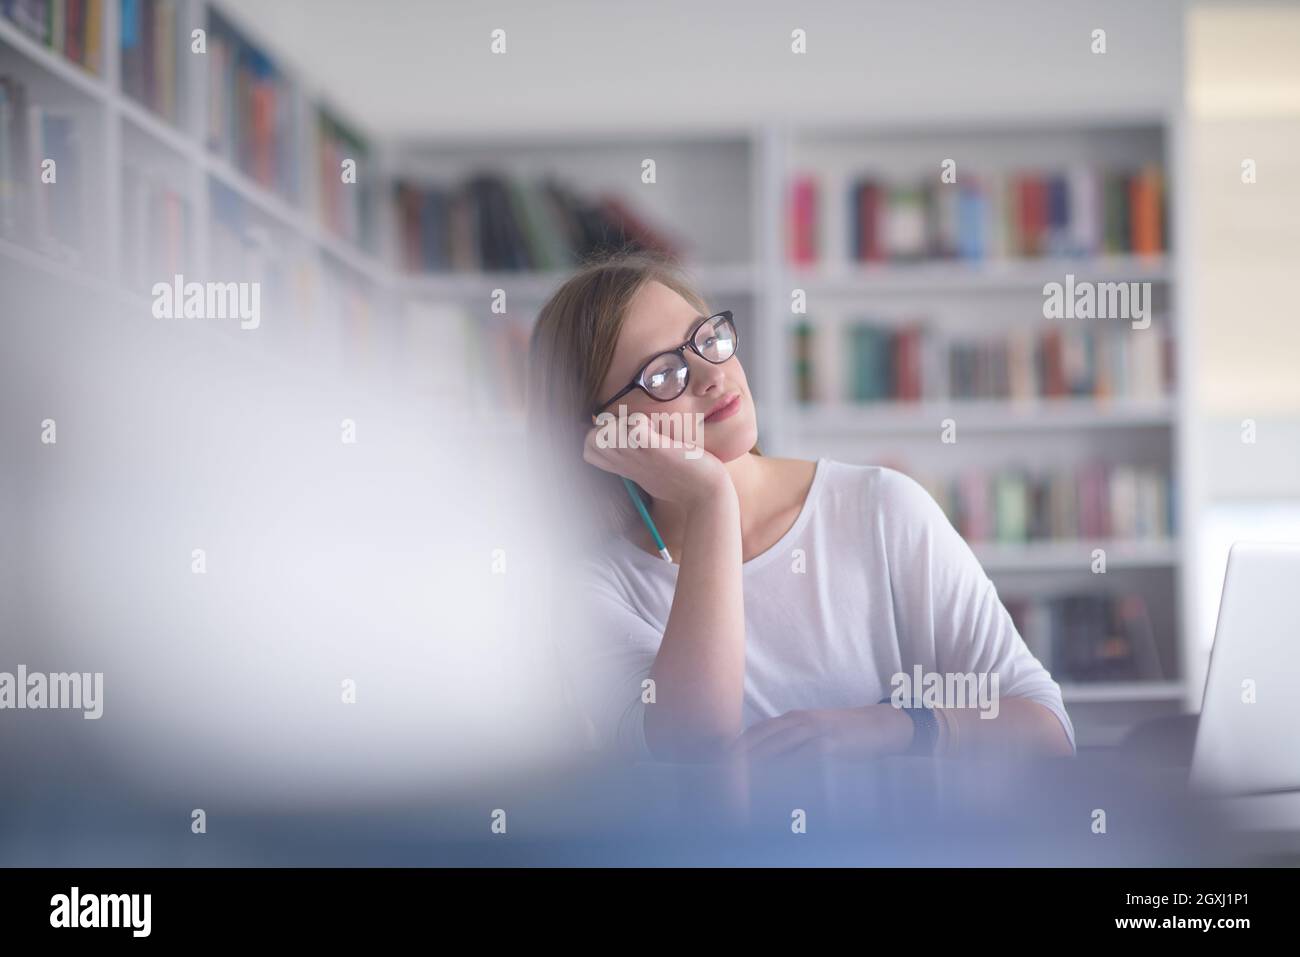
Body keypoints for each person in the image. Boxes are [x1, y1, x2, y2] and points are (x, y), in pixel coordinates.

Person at [525, 248, 1075, 765]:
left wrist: (898, 726)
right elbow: (694, 736)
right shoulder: (594, 589)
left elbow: (1049, 732)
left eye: (706, 339)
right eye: (664, 374)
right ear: (603, 432)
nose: (714, 376)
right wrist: (712, 500)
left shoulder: (880, 509)